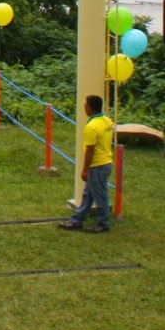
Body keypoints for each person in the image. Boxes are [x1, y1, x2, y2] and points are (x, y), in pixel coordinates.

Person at [58, 95, 113, 233]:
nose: (84, 107)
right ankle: (77, 220)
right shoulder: (106, 121)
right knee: (88, 195)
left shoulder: (91, 127)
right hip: (106, 162)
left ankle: (103, 223)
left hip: (97, 165)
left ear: (90, 107)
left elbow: (90, 150)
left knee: (100, 196)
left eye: (85, 104)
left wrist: (85, 170)